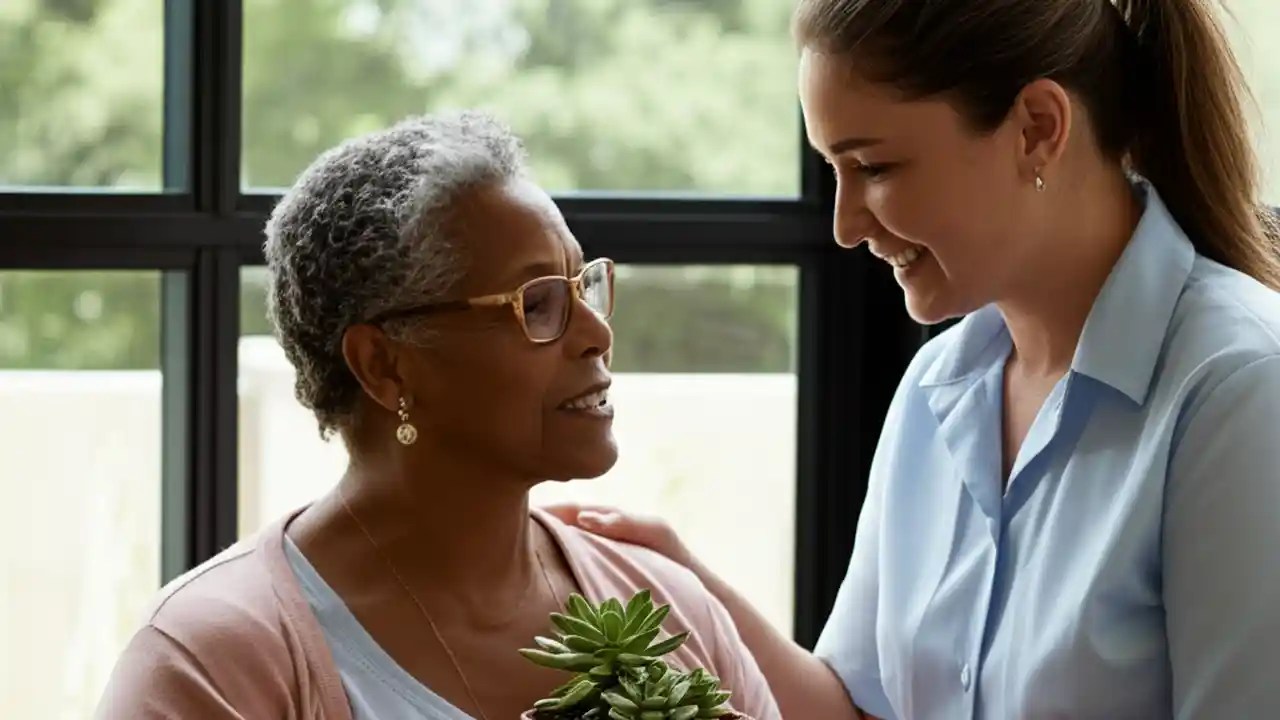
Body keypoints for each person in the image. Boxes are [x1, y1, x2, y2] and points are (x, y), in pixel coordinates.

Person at [546, 0, 1280, 718]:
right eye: (834, 170)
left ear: (1037, 128)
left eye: (874, 166)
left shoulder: (1240, 389)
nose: (844, 224)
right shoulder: (938, 387)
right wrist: (686, 589)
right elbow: (859, 707)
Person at [95, 112, 781, 720]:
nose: (596, 332)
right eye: (538, 304)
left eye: (585, 286)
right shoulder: (208, 664)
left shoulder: (671, 611)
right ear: (385, 366)